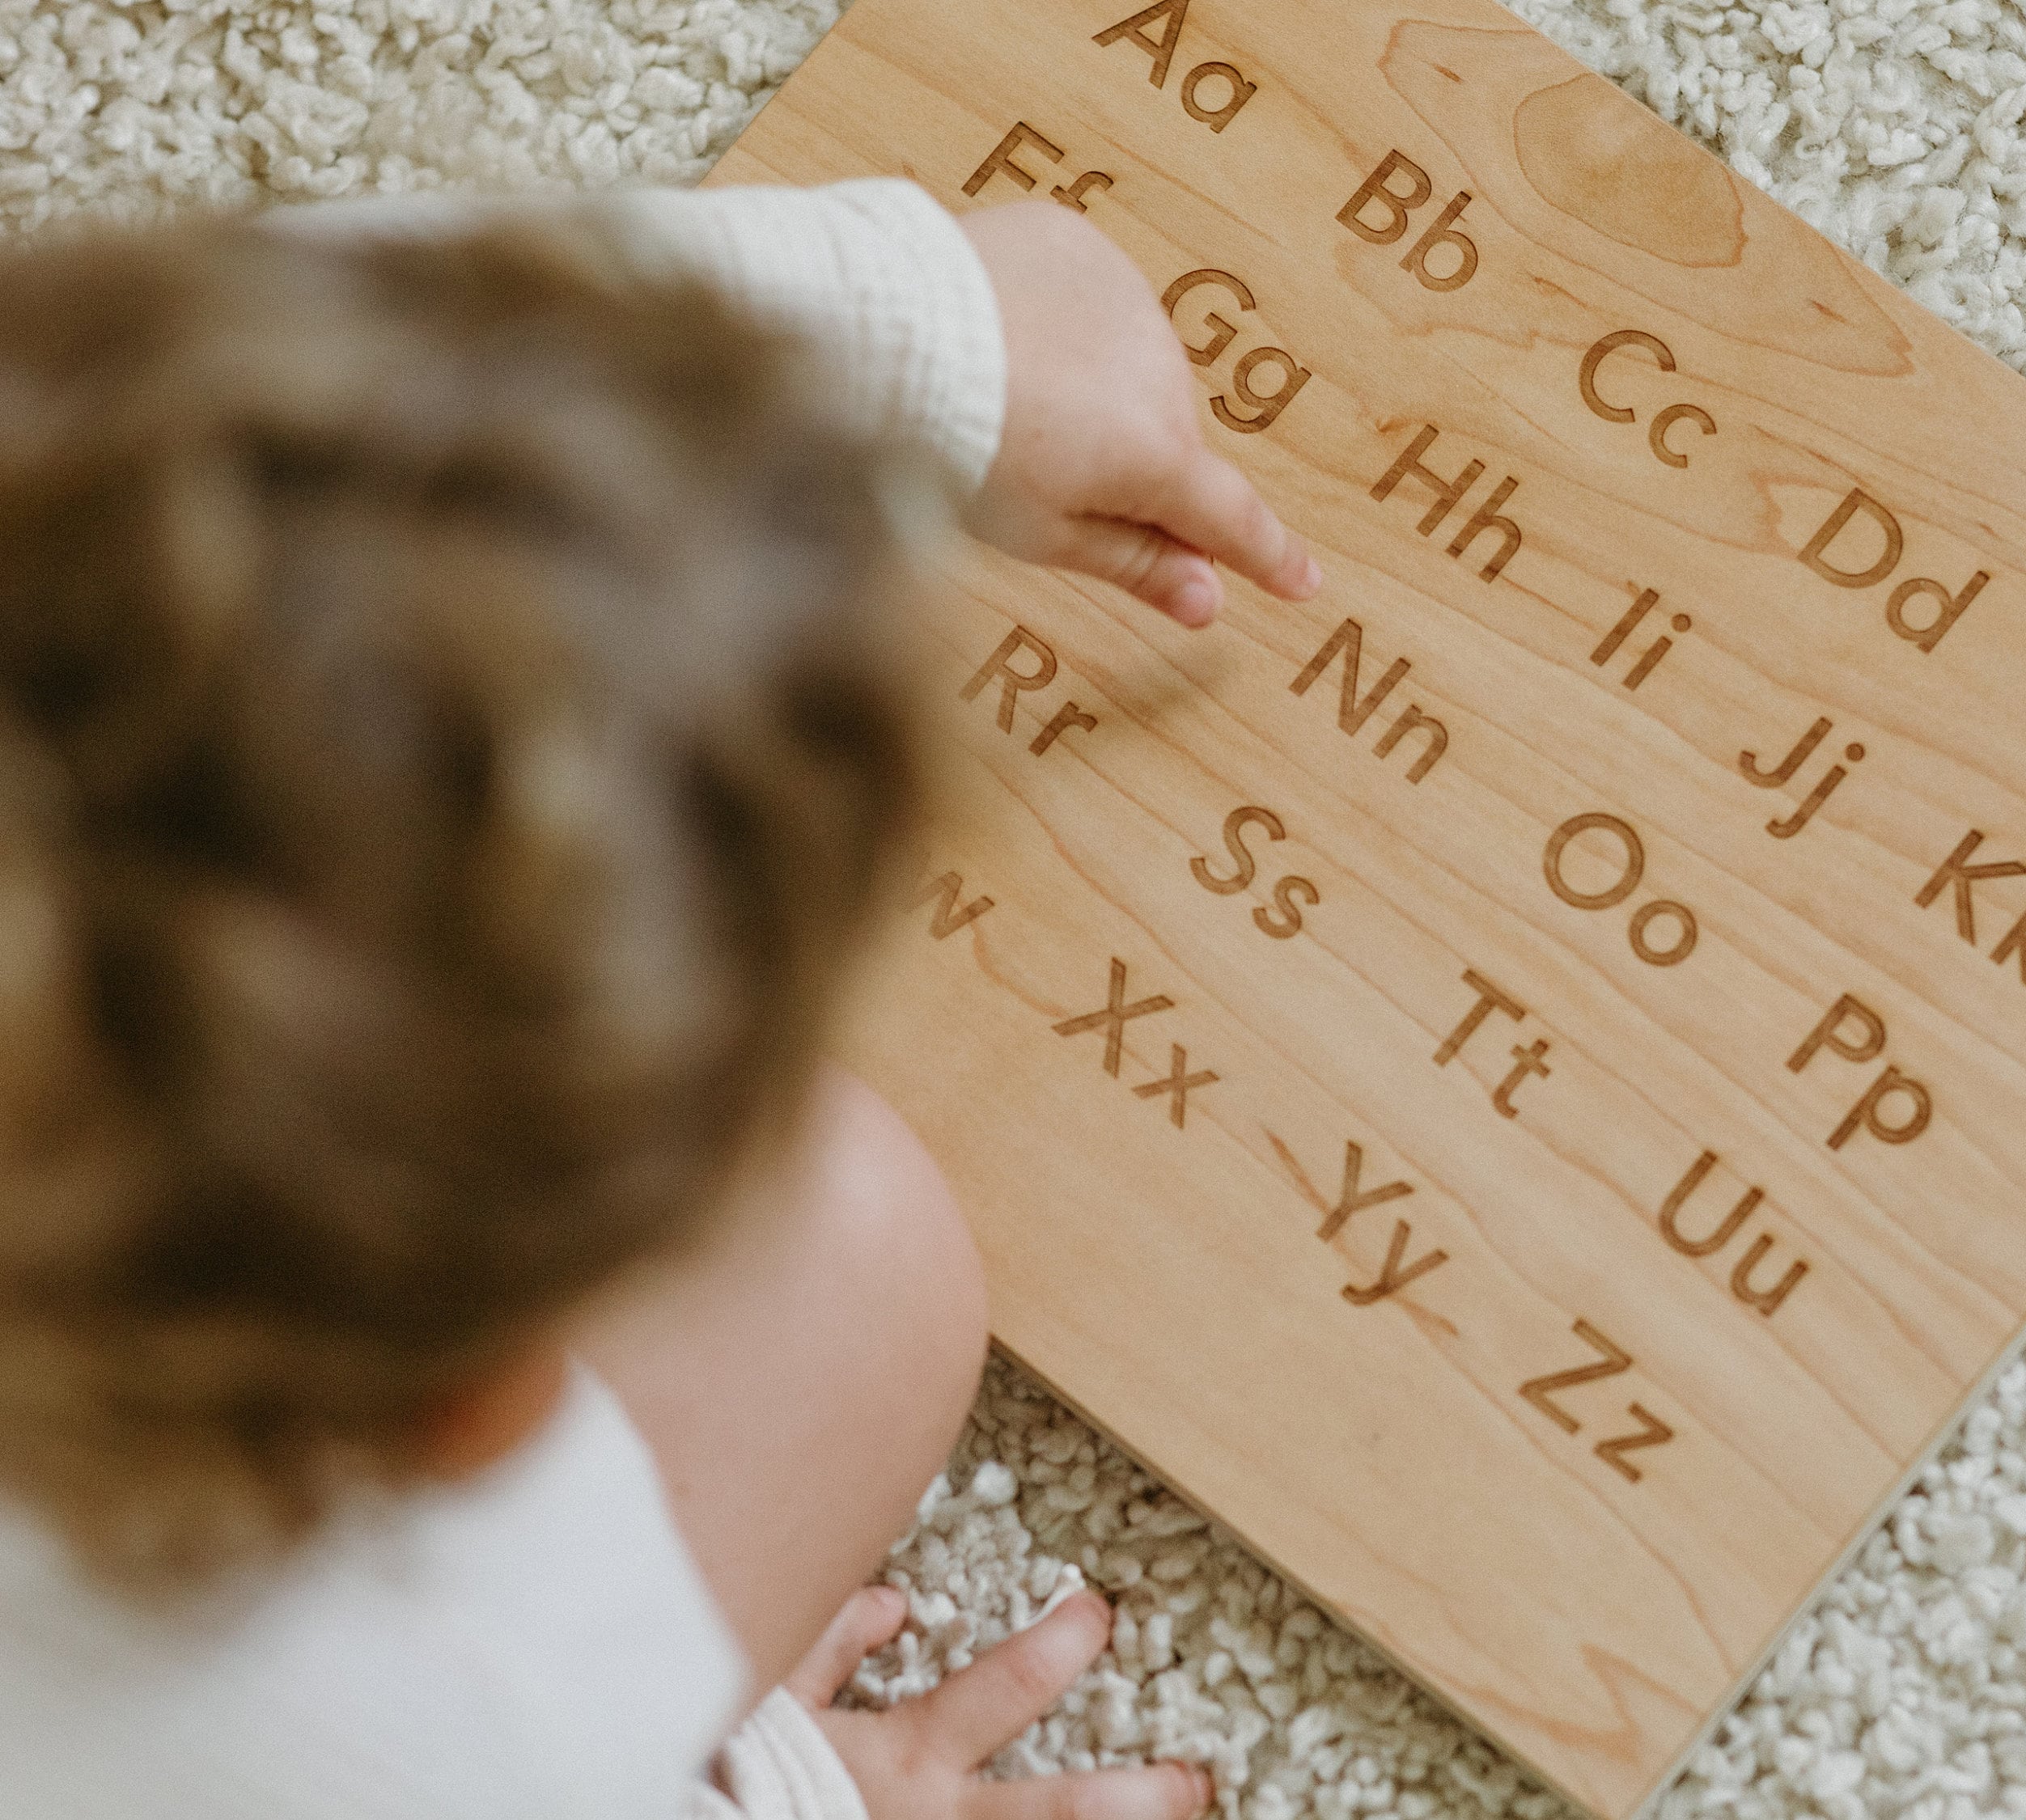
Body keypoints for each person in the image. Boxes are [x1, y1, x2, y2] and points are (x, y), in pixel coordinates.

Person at [0, 174, 1320, 1820]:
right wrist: (776, 1790)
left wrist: (932, 326)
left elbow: (223, 395)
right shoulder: (444, 1734)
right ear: (480, 1412)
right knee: (860, 1273)